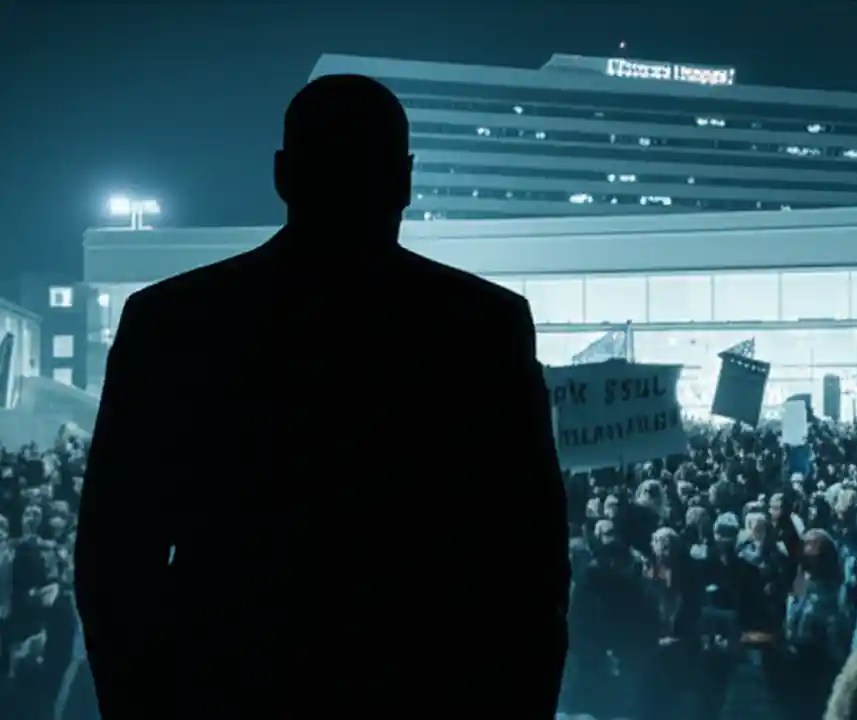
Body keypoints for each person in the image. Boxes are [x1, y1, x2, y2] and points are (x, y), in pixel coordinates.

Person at [74, 75, 568, 719]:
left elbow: (115, 557)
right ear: (405, 180)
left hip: (229, 690)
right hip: (428, 690)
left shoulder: (173, 321)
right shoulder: (482, 325)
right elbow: (530, 562)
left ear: (283, 175)